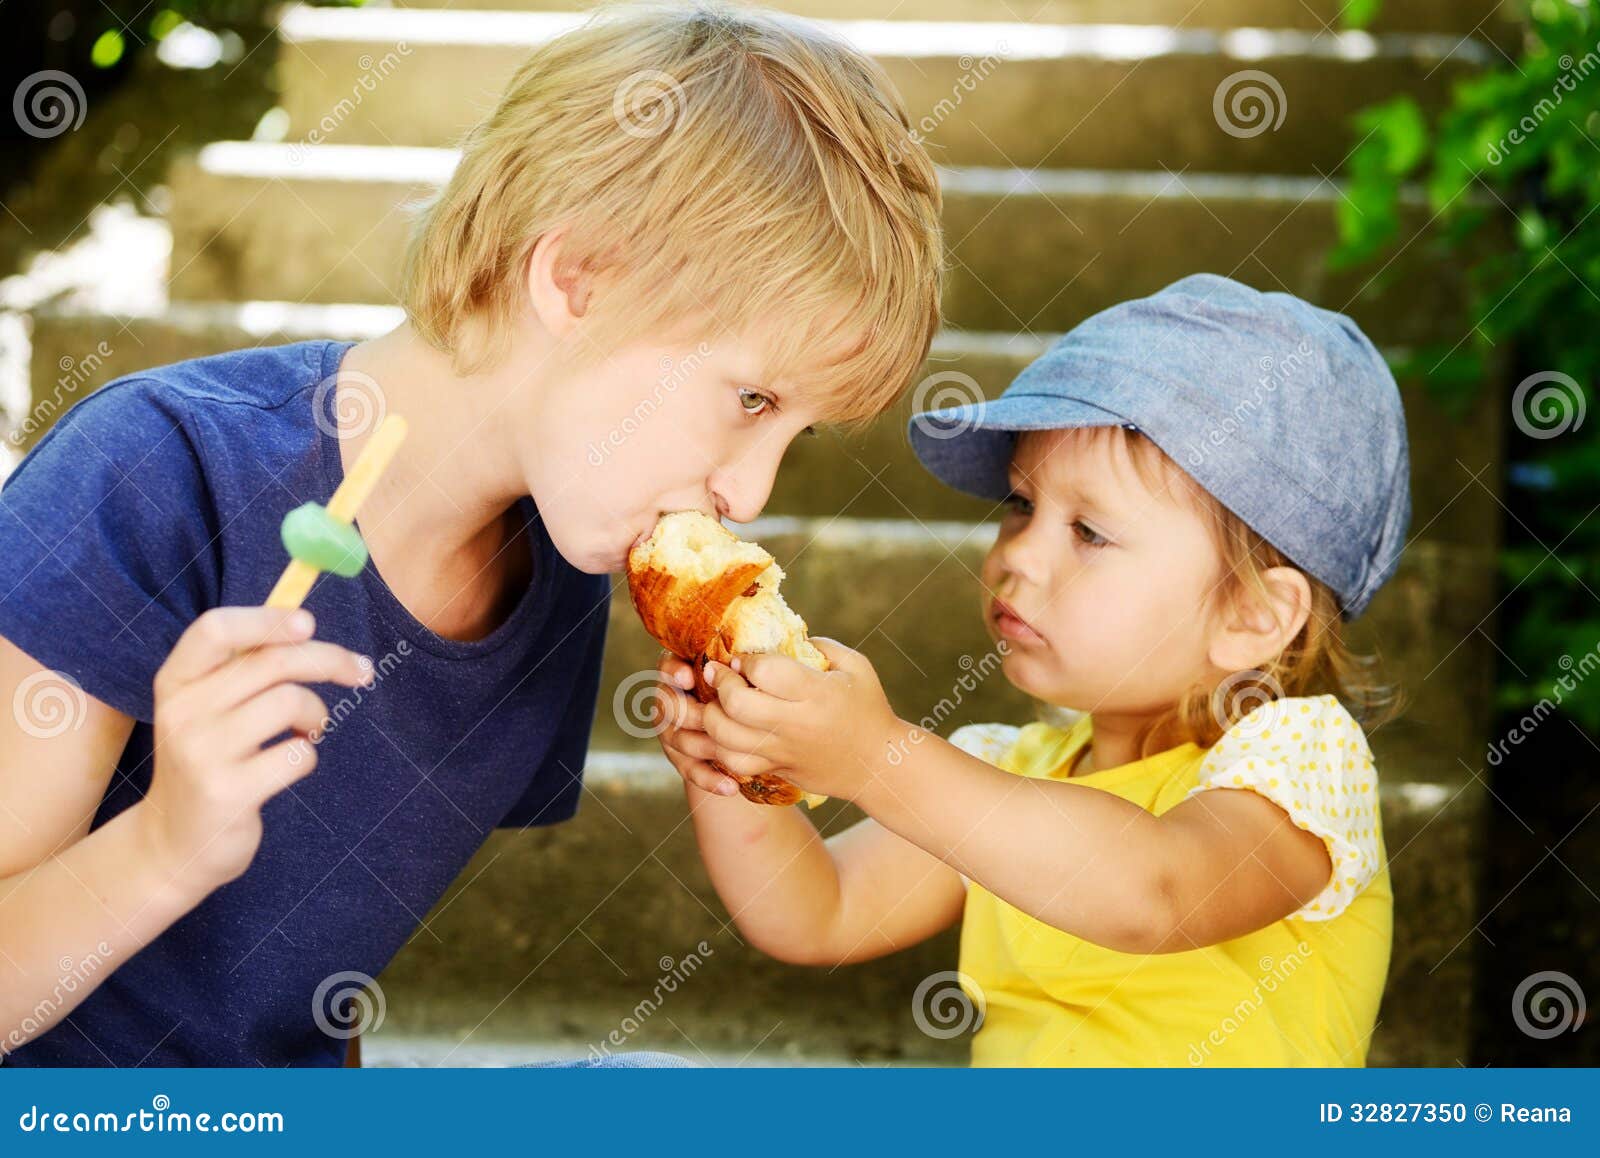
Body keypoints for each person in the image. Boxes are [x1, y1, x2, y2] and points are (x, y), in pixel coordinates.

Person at [0, 1, 941, 1066]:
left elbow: (307, 1001)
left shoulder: (557, 579)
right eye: (754, 401)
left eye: (796, 434)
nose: (752, 491)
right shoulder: (156, 472)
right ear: (577, 278)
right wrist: (162, 850)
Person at [657, 273, 1408, 1066]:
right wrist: (733, 765)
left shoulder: (1305, 760)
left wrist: (878, 758)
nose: (1020, 553)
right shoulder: (1006, 769)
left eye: (1088, 531)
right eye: (1021, 505)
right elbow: (817, 911)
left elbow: (1156, 892)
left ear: (1253, 615)